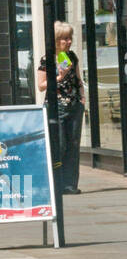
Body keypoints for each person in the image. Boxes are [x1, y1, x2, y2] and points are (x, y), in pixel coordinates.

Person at [37, 21, 86, 194]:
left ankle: (70, 184)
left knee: (73, 145)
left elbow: (77, 79)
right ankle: (56, 184)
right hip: (56, 106)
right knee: (59, 144)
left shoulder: (71, 56)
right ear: (57, 40)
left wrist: (82, 98)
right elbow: (41, 85)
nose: (69, 42)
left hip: (74, 105)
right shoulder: (48, 59)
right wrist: (59, 77)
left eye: (70, 38)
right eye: (65, 39)